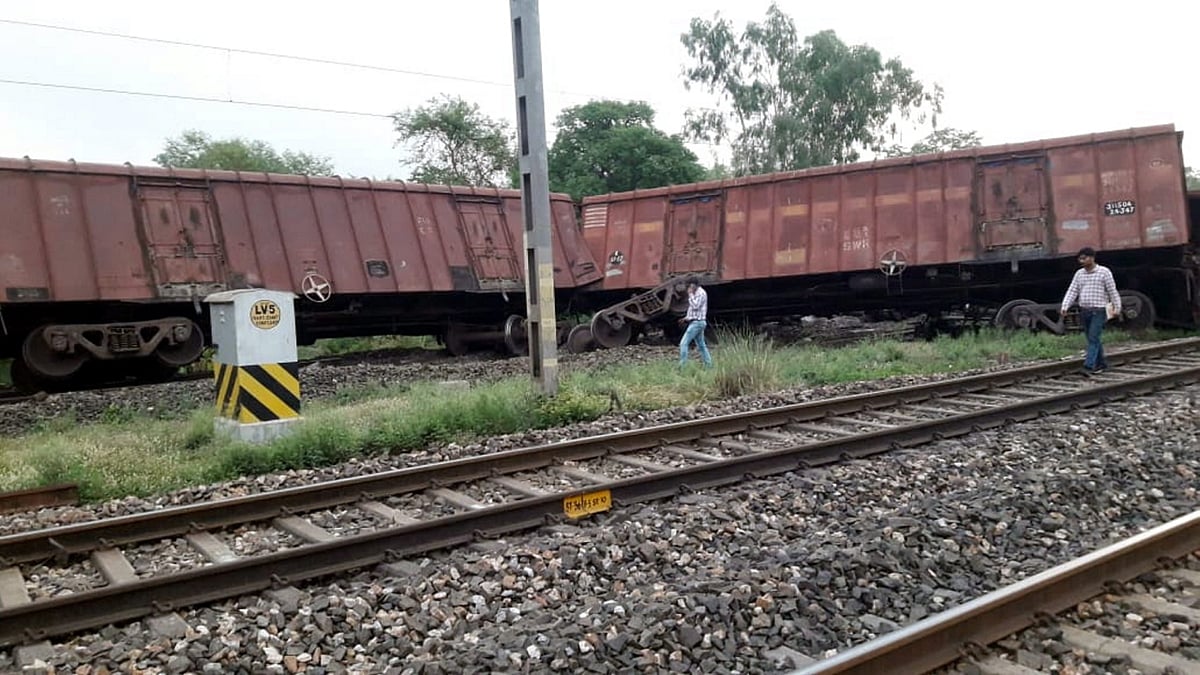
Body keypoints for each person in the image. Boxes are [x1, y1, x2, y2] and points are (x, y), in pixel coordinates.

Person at [1060, 246, 1122, 374]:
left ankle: (1088, 366)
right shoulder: (1079, 274)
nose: (1082, 261)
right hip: (1085, 310)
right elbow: (1073, 291)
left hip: (1099, 311)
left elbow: (1112, 291)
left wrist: (1117, 307)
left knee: (1093, 337)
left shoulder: (1104, 272)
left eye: (1084, 258)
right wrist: (1065, 306)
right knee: (1092, 338)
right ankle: (1102, 364)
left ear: (1092, 258)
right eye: (1080, 259)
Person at [679, 277, 713, 368]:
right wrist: (686, 318)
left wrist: (690, 295)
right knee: (701, 345)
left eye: (689, 286)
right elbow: (694, 311)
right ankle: (709, 365)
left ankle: (683, 366)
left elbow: (695, 306)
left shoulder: (700, 293)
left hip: (697, 323)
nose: (688, 288)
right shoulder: (697, 293)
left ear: (693, 285)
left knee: (683, 343)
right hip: (697, 322)